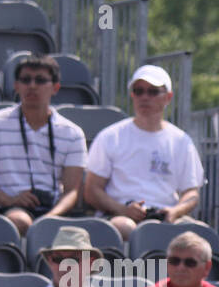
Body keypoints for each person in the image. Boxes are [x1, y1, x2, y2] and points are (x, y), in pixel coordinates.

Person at [0, 54, 88, 236]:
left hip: (55, 211)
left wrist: (51, 217)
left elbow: (71, 192)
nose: (32, 86)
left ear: (55, 87)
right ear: (16, 86)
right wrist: (9, 200)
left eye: (41, 80)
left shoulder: (72, 133)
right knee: (20, 221)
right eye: (26, 80)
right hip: (10, 210)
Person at [83, 64, 204, 241]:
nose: (144, 97)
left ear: (168, 97)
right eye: (138, 91)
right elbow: (92, 190)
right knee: (125, 228)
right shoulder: (111, 136)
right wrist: (123, 209)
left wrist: (174, 212)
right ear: (132, 95)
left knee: (202, 235)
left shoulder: (181, 141)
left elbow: (191, 193)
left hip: (166, 216)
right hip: (120, 215)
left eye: (153, 92)